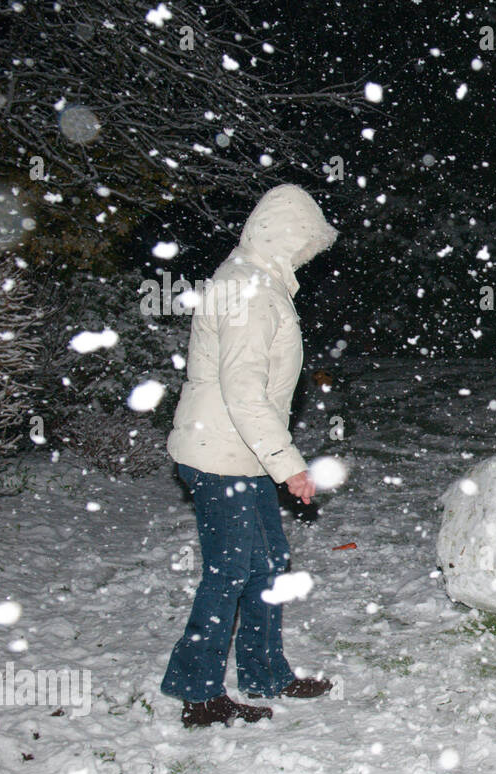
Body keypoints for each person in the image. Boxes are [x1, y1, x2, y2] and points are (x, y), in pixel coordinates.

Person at [163, 184, 339, 727]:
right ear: (284, 236)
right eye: (303, 245)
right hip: (222, 453)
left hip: (239, 452)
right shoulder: (248, 290)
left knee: (266, 562)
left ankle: (265, 672)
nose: (305, 257)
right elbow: (243, 390)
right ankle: (199, 691)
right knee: (231, 571)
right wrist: (287, 463)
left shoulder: (254, 280)